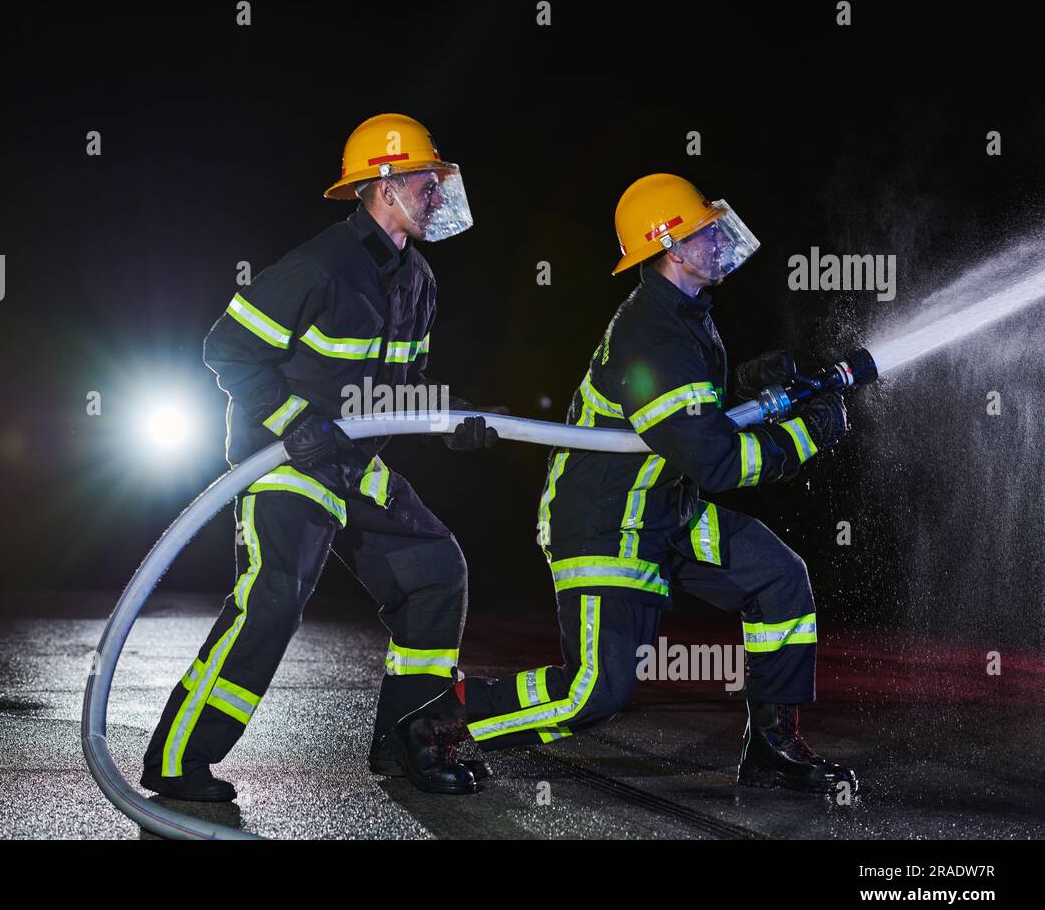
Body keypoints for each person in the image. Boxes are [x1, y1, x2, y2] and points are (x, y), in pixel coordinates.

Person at [391, 173, 858, 797]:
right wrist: (808, 435)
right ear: (668, 246)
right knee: (594, 692)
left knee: (778, 576)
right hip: (606, 521)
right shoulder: (654, 332)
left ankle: (773, 746)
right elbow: (717, 462)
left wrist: (748, 389)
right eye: (702, 232)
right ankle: (438, 725)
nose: (717, 240)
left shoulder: (688, 316)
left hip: (665, 508)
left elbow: (688, 421)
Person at [140, 113, 499, 801]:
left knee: (434, 569)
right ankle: (179, 758)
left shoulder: (418, 280)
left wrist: (451, 422)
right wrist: (292, 422)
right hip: (282, 460)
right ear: (385, 185)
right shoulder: (318, 267)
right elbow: (228, 347)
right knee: (273, 600)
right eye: (428, 182)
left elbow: (403, 390)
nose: (438, 195)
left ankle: (412, 740)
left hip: (350, 462)